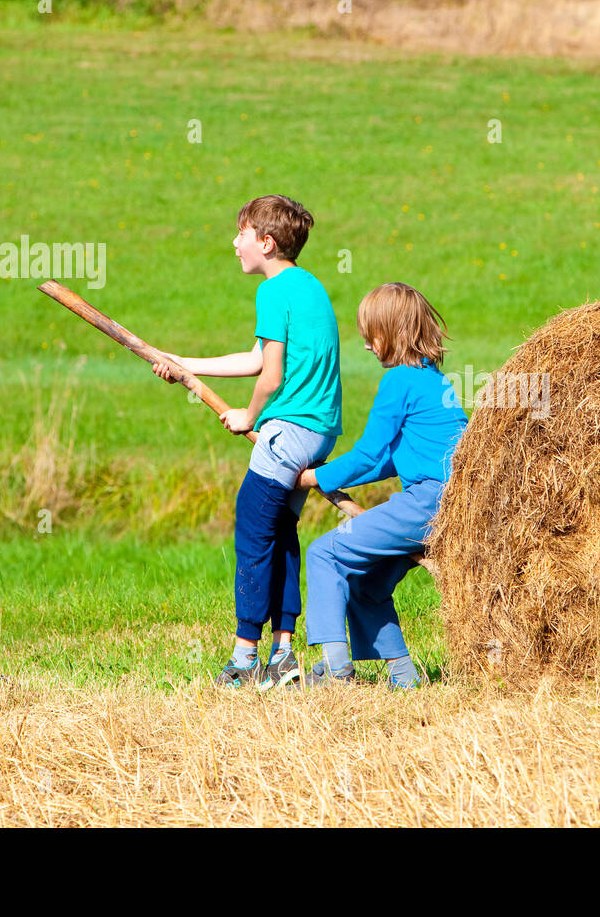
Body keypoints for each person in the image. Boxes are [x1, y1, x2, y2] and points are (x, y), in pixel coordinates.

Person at [153, 194, 341, 689]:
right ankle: (283, 653)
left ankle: (243, 658)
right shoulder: (306, 287)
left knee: (253, 531)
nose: (234, 243)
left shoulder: (273, 292)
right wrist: (184, 365)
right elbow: (255, 358)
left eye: (241, 234)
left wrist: (248, 415)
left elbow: (272, 377)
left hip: (288, 430)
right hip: (318, 430)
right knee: (279, 531)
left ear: (267, 242)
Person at [294, 283, 468, 688]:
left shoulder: (399, 381)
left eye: (372, 336)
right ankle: (404, 678)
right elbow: (392, 458)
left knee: (324, 555)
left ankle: (336, 673)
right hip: (447, 502)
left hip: (425, 503)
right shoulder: (434, 380)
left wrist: (315, 477)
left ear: (393, 334)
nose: (368, 346)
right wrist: (331, 475)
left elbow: (370, 454)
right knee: (368, 585)